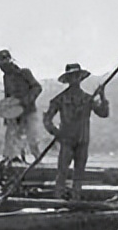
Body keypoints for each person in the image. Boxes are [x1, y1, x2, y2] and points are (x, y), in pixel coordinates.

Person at [43, 63, 110, 199]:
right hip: (67, 141)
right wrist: (57, 133)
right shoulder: (59, 99)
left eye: (76, 76)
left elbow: (103, 113)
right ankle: (58, 199)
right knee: (62, 172)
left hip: (82, 140)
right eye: (71, 77)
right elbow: (47, 120)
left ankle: (76, 198)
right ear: (67, 80)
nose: (74, 79)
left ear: (80, 78)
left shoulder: (88, 99)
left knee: (79, 173)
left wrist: (102, 96)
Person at [0, 49, 43, 166]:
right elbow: (8, 96)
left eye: (4, 64)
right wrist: (7, 114)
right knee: (12, 137)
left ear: (10, 62)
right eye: (0, 65)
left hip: (29, 110)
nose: (2, 67)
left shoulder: (25, 73)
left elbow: (37, 87)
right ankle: (13, 161)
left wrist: (25, 101)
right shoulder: (6, 77)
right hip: (14, 113)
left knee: (33, 138)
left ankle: (39, 162)